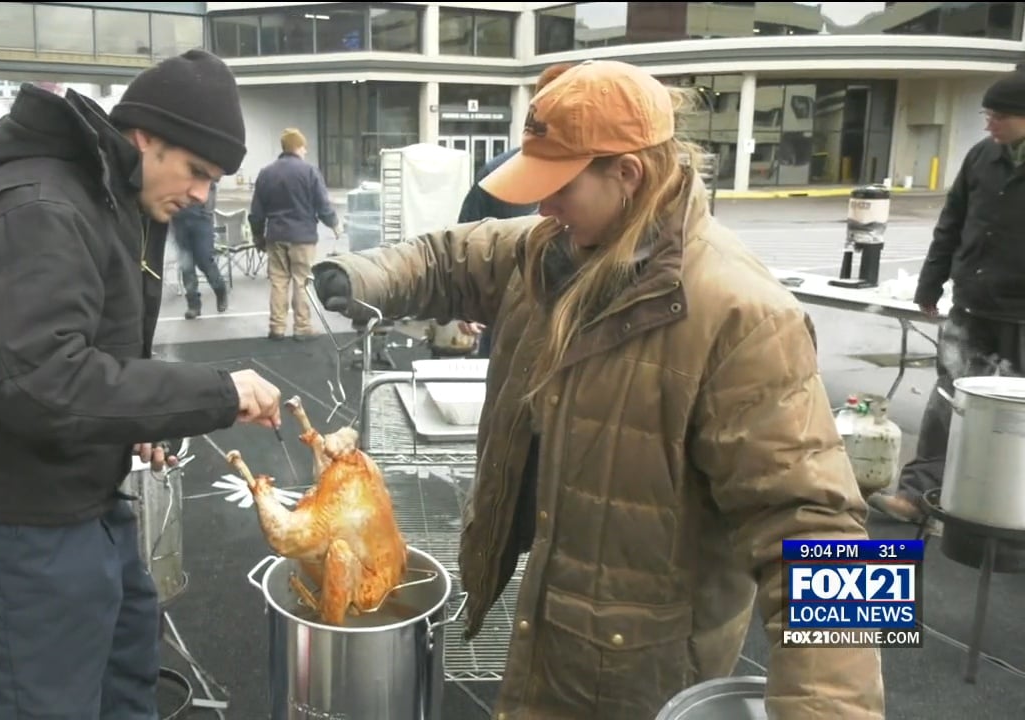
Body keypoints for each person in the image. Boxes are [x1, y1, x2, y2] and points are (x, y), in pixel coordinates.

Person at [311, 60, 883, 718]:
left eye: (559, 187)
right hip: (552, 634)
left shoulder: (744, 315)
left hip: (646, 673)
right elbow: (450, 254)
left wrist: (832, 711)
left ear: (629, 175)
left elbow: (825, 530)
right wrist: (361, 275)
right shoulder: (556, 248)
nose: (542, 207)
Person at [0, 51, 284, 718]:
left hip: (78, 499)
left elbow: (89, 359)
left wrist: (140, 420)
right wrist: (215, 393)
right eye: (197, 171)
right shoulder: (38, 210)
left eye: (215, 180)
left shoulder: (111, 198)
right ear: (144, 138)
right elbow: (43, 384)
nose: (202, 194)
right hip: (8, 519)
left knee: (127, 677)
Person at [869, 69, 1025, 523]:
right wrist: (930, 284)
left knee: (1014, 418)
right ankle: (919, 497)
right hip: (972, 305)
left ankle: (1006, 509)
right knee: (945, 401)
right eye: (987, 114)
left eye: (999, 116)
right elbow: (951, 222)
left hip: (1021, 314)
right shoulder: (982, 157)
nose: (988, 124)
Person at [456, 62, 577, 359]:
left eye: (561, 188)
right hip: (506, 337)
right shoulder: (497, 174)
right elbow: (466, 244)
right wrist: (467, 300)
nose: (544, 209)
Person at [249, 127, 341, 341]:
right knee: (301, 282)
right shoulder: (309, 172)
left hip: (276, 235)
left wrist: (258, 237)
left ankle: (277, 328)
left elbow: (256, 212)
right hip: (303, 237)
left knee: (279, 282)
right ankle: (302, 327)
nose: (305, 152)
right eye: (304, 147)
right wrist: (334, 224)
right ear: (298, 147)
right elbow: (322, 204)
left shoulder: (266, 173)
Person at [172, 180, 229, 319]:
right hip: (179, 221)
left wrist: (205, 212)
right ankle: (193, 305)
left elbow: (212, 183)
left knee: (205, 261)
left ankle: (220, 290)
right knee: (186, 266)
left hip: (201, 221)